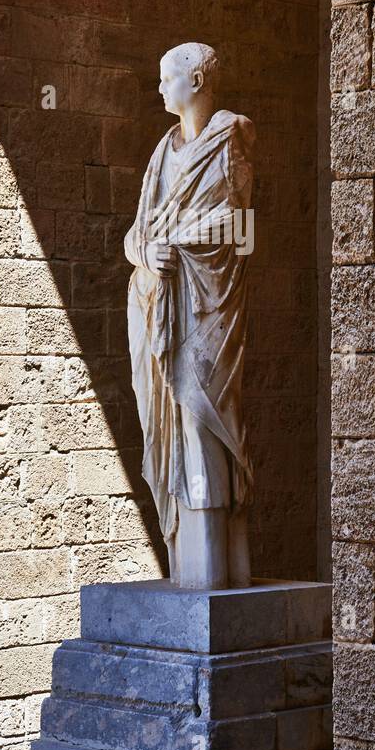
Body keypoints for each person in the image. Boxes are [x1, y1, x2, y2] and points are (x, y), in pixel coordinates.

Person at [124, 42, 255, 589]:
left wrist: (178, 242)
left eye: (166, 79)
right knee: (171, 422)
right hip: (158, 301)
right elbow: (135, 234)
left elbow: (242, 229)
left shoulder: (232, 137)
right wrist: (146, 252)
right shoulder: (162, 153)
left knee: (203, 414)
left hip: (209, 303)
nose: (159, 88)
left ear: (196, 80)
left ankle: (215, 566)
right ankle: (191, 564)